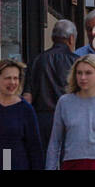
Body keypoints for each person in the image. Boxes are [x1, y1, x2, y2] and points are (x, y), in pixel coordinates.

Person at [23, 18, 79, 149]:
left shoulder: (37, 60)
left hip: (42, 119)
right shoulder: (77, 62)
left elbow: (27, 96)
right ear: (71, 39)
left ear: (53, 38)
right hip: (69, 117)